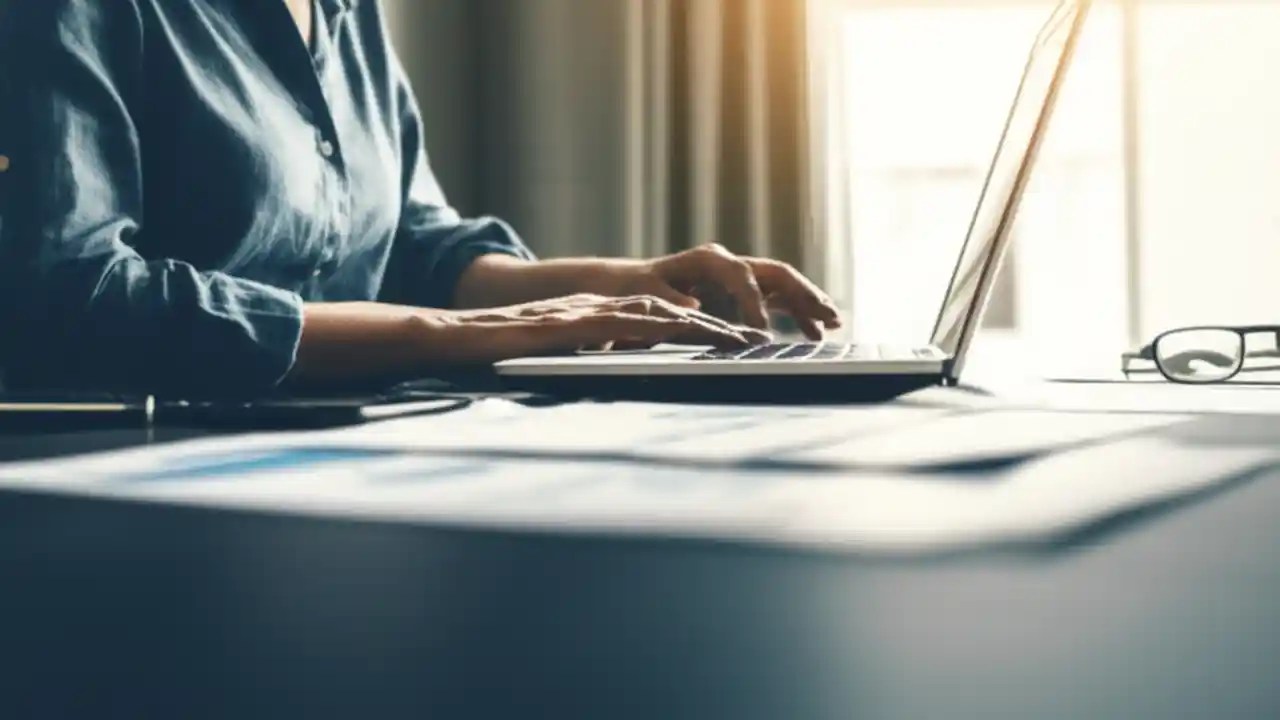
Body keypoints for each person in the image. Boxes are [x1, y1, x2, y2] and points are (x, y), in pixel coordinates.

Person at [0, 0, 841, 396]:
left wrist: (628, 286)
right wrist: (443, 335)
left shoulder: (347, 13)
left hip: (348, 465)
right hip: (140, 491)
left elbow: (408, 242)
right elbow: (74, 293)